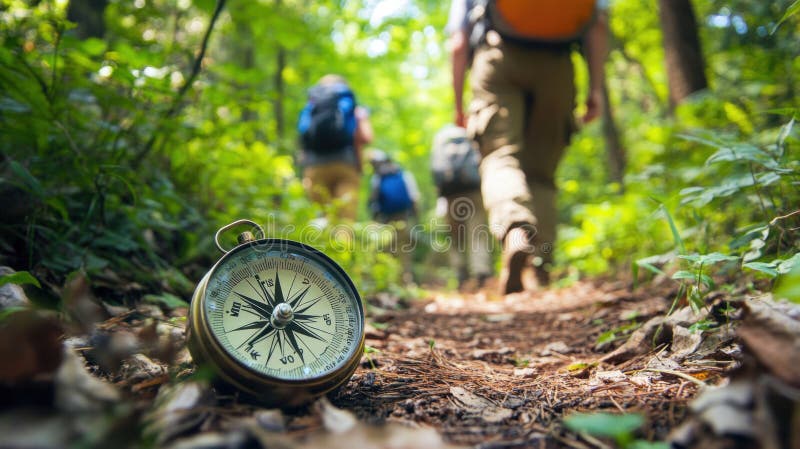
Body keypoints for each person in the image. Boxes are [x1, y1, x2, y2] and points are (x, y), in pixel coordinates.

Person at [447, 0, 609, 294]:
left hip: (498, 57)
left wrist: (458, 104)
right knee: (541, 173)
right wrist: (595, 87)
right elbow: (597, 25)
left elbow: (458, 43)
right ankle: (541, 268)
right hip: (557, 64)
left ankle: (515, 228)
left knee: (499, 157)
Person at [297, 74, 373, 221]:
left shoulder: (312, 106)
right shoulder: (353, 107)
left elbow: (303, 134)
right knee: (345, 218)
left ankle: (320, 243)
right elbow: (366, 137)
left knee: (323, 218)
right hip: (345, 165)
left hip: (314, 167)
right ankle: (342, 244)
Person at [431, 125, 492, 290]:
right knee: (477, 233)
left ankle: (461, 275)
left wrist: (440, 201)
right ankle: (481, 273)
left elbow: (437, 175)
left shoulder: (440, 138)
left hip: (450, 196)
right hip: (473, 192)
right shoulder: (469, 134)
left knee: (455, 237)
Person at [368, 150, 421, 284]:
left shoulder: (378, 177)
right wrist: (416, 215)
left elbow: (373, 200)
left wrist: (374, 218)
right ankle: (406, 280)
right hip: (402, 215)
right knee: (404, 247)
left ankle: (389, 281)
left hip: (384, 218)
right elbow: (414, 196)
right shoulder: (403, 173)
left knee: (387, 248)